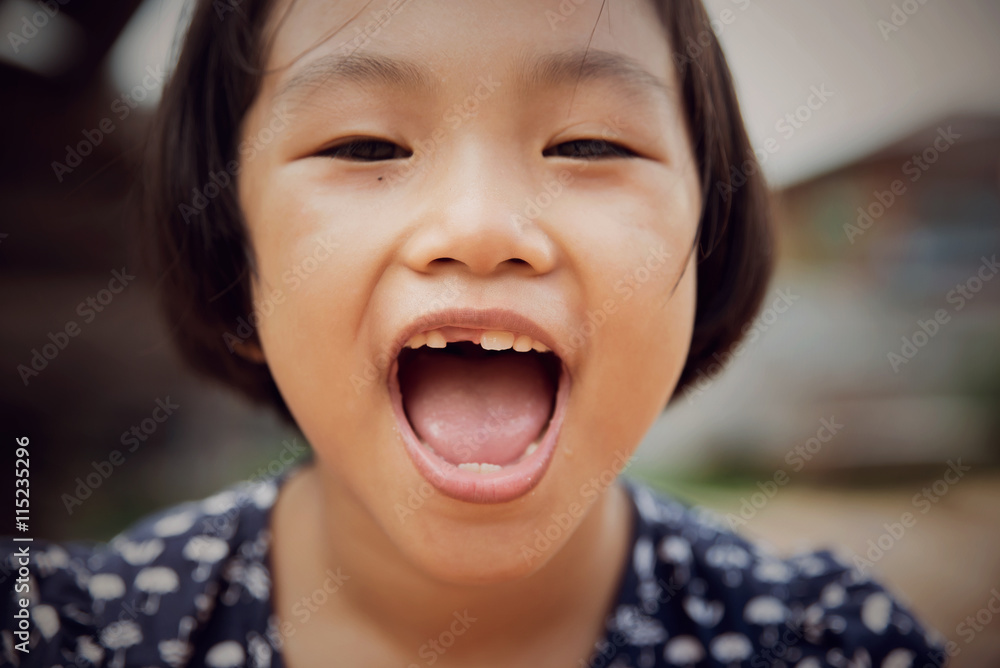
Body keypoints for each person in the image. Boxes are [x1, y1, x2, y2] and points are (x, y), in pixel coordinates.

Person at [3, 0, 948, 666]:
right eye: (365, 146)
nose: (481, 227)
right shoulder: (64, 635)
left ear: (710, 245)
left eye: (590, 145)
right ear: (233, 262)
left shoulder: (832, 645)